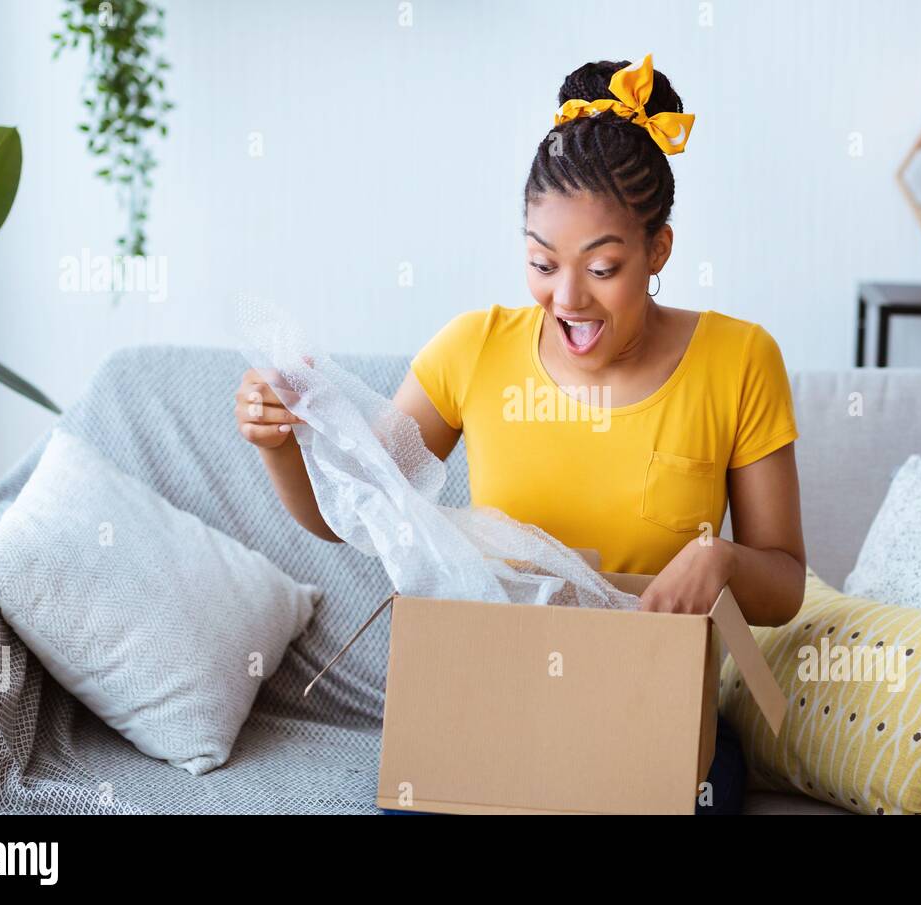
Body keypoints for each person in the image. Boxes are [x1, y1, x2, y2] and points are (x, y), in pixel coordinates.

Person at [234, 54, 806, 815]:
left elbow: (786, 586)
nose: (567, 298)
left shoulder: (741, 360)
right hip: (491, 711)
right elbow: (358, 512)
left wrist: (722, 556)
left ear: (658, 251)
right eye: (542, 261)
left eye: (602, 267)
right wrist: (281, 444)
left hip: (653, 718)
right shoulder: (472, 350)